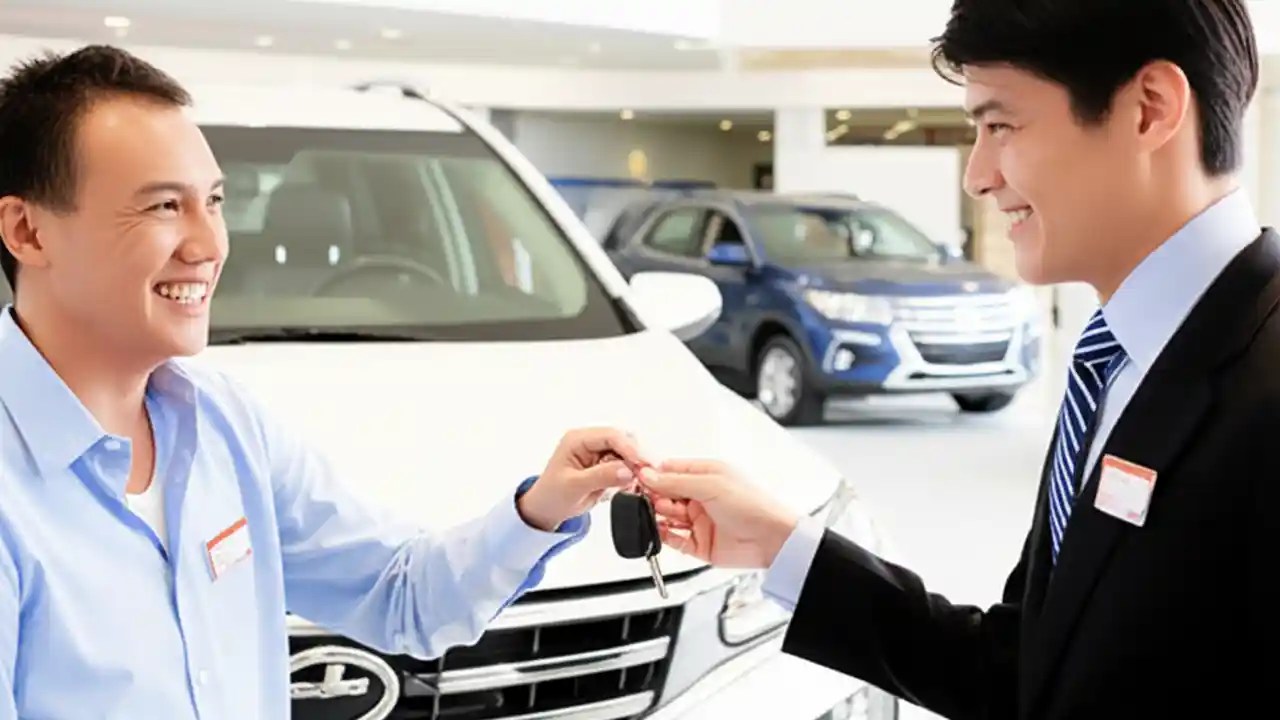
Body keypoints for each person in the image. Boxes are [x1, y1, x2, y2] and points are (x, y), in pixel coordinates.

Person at [639, 2, 1278, 719]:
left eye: (1000, 125)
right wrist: (786, 549)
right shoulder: (1117, 360)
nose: (976, 176)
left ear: (1148, 110)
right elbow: (1025, 668)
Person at [0, 46, 643, 718]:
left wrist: (543, 508)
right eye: (164, 206)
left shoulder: (221, 425)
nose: (210, 244)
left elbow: (400, 596)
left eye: (214, 202)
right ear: (27, 230)